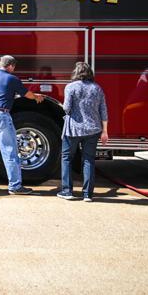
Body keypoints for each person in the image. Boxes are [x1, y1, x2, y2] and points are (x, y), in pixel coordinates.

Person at [0, 55, 43, 194]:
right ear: (11, 66)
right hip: (0, 116)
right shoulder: (12, 79)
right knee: (9, 151)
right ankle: (15, 186)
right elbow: (26, 94)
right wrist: (36, 97)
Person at [57, 62, 108, 202]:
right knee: (88, 160)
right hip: (93, 129)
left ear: (76, 72)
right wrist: (105, 131)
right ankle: (88, 195)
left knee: (67, 158)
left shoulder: (71, 87)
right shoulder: (97, 88)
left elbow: (66, 108)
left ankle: (67, 191)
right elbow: (103, 110)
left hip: (73, 129)